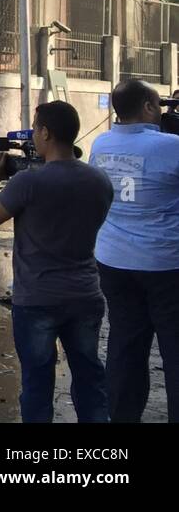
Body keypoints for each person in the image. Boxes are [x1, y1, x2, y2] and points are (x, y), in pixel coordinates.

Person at [0, 99, 114, 422]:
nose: (34, 139)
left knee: (37, 385)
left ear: (46, 133)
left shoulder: (28, 182)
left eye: (36, 131)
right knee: (89, 379)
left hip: (37, 299)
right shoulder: (100, 181)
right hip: (85, 295)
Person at [90, 78, 179, 422]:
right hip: (166, 264)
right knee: (173, 349)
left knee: (125, 344)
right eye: (157, 104)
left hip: (114, 261)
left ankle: (122, 417)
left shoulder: (101, 143)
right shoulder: (171, 146)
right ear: (146, 107)